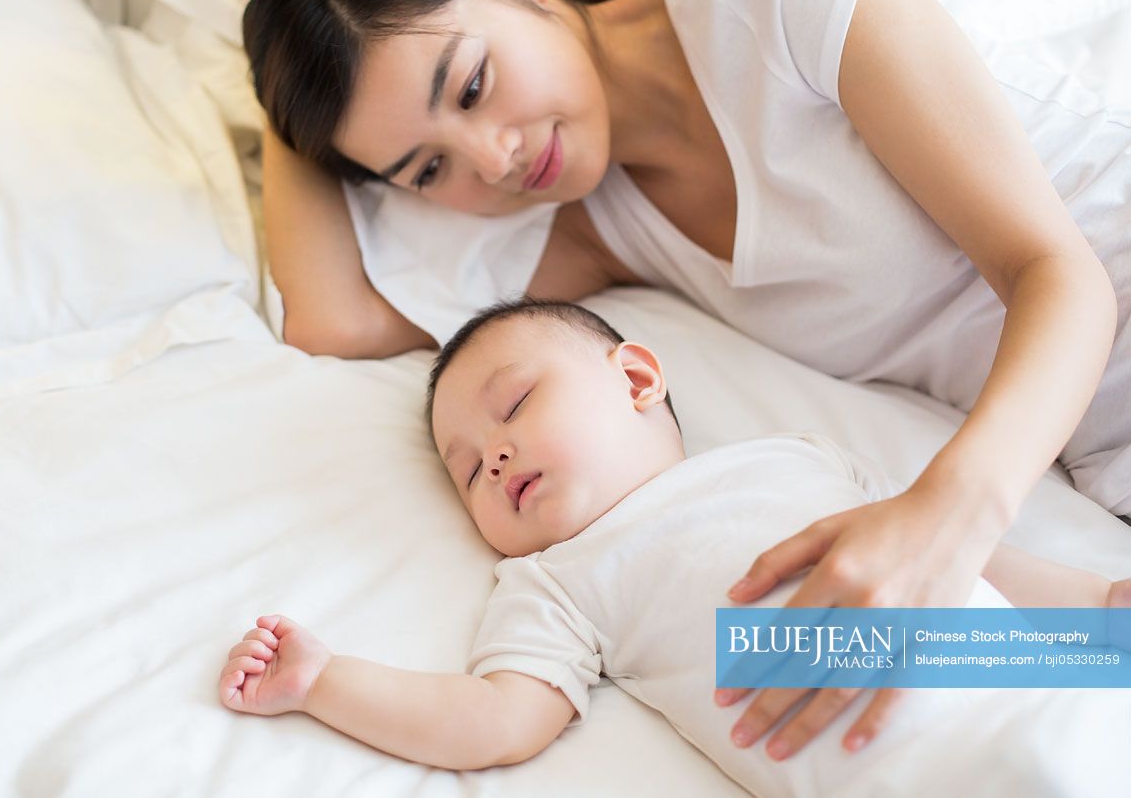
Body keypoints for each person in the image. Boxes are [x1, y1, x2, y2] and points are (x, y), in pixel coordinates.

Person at [242, 0, 1131, 746]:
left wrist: (945, 514)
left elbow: (1059, 275)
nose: (493, 159)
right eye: (426, 170)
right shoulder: (600, 228)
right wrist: (291, 89)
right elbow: (331, 320)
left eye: (472, 86)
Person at [218, 298, 1131, 766]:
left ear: (637, 377)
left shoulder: (792, 457)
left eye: (516, 405)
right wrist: (326, 681)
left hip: (1062, 700)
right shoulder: (558, 582)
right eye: (466, 469)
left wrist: (1100, 606)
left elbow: (959, 556)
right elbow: (498, 722)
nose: (492, 457)